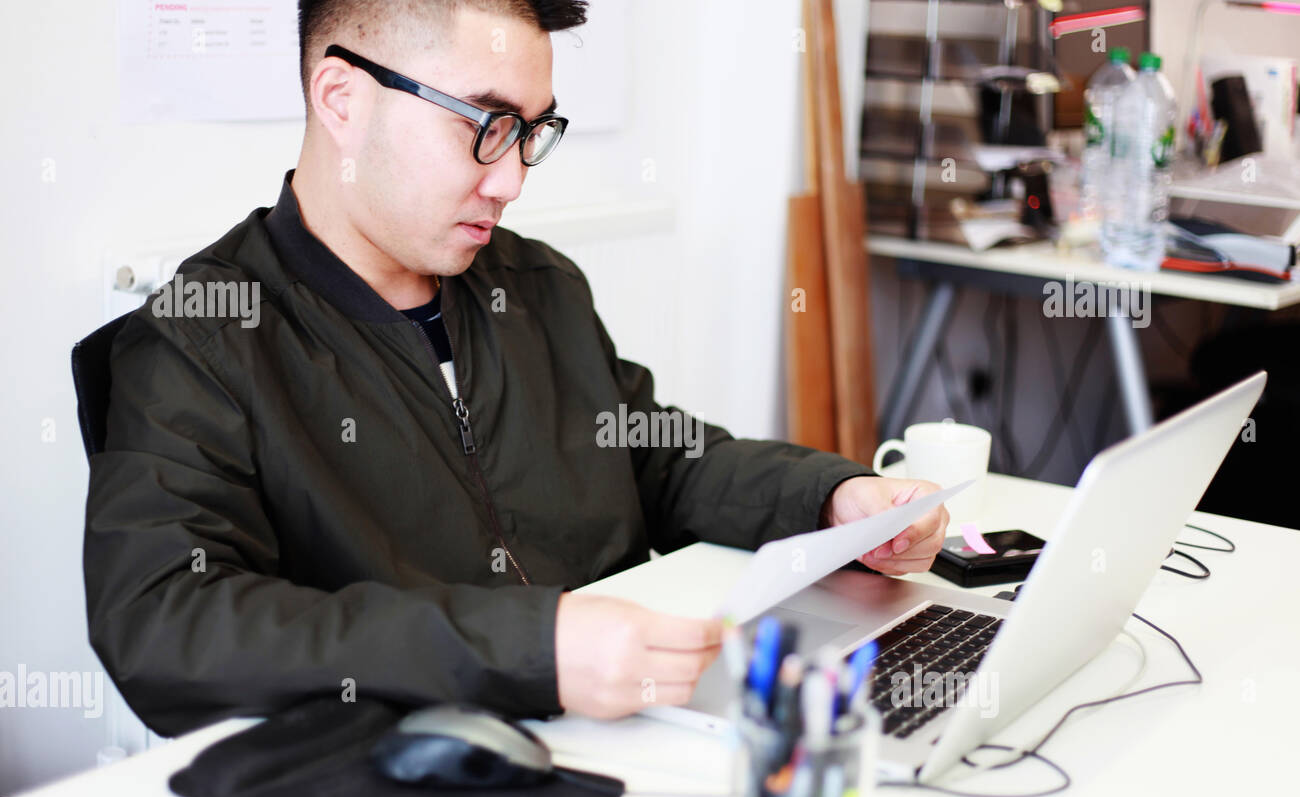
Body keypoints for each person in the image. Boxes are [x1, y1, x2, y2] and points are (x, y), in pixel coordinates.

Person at [82, 0, 947, 738]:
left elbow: (654, 459)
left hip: (637, 734)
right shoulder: (201, 339)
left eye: (532, 133)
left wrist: (833, 500)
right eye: (484, 126)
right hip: (407, 786)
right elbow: (164, 624)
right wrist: (533, 649)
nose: (512, 181)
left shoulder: (534, 286)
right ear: (341, 97)